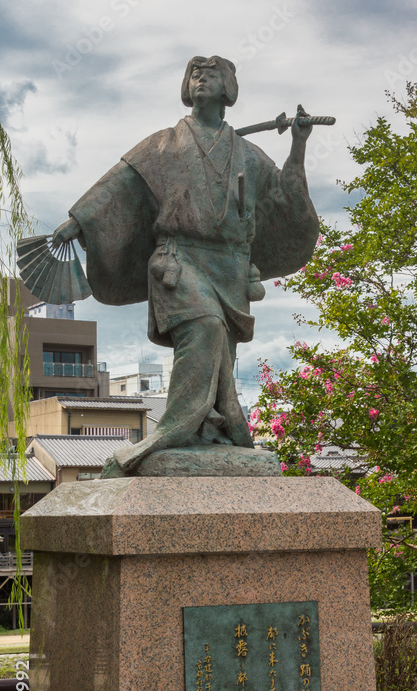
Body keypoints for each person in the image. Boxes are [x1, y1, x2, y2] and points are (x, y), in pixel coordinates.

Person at [52, 55, 319, 475]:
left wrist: (298, 144)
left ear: (228, 90)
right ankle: (169, 433)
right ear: (186, 85)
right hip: (178, 259)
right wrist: (78, 221)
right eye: (195, 74)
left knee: (221, 355)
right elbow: (119, 182)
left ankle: (212, 428)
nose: (201, 80)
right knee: (206, 327)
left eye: (211, 75)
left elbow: (283, 201)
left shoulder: (247, 154)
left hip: (231, 266)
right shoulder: (164, 145)